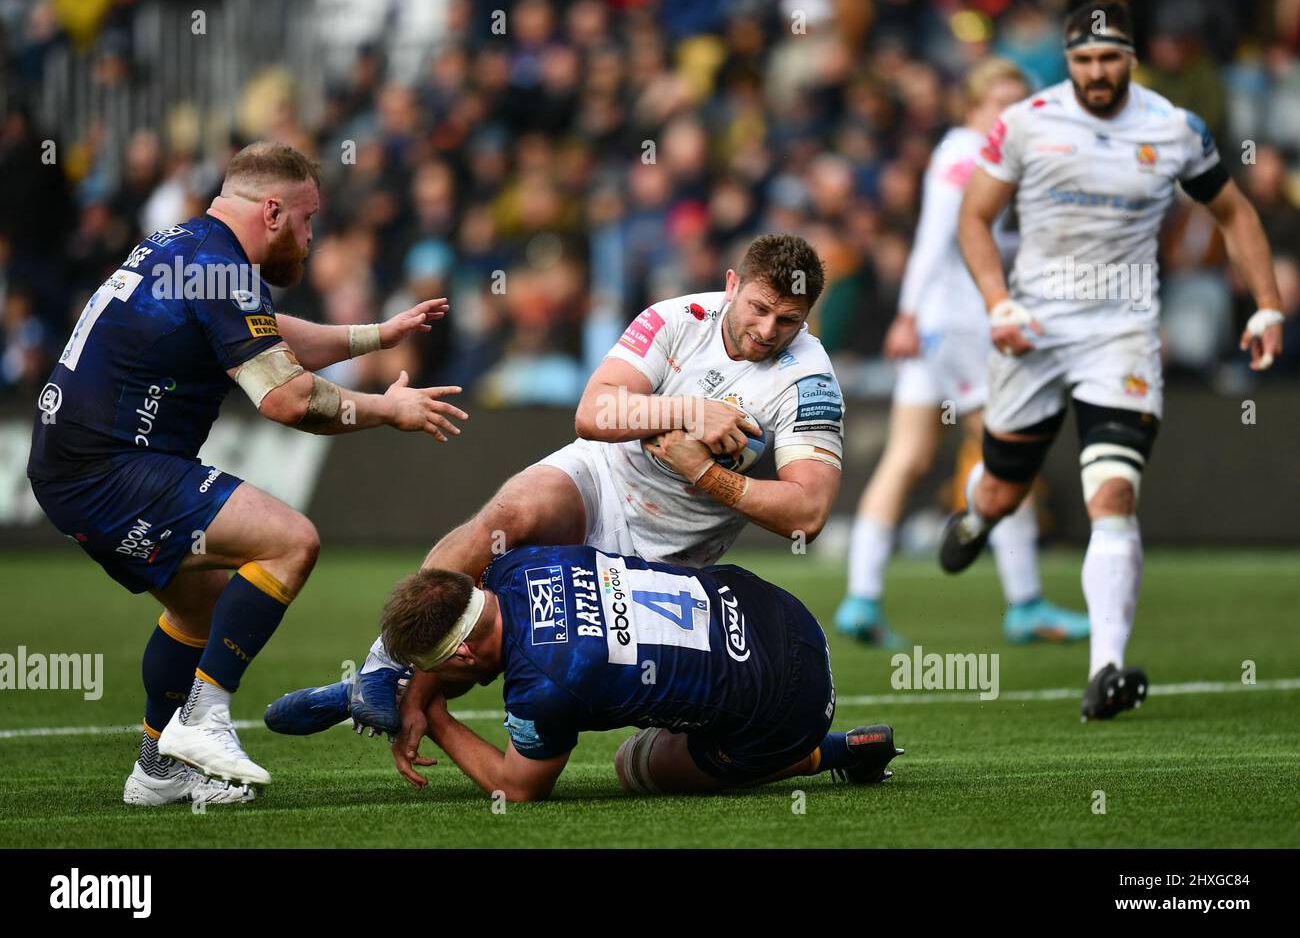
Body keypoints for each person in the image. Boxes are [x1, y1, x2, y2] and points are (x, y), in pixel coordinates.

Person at [266, 233, 848, 737]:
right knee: (503, 520)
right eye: (759, 308)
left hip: (670, 552)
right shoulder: (675, 320)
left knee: (515, 643)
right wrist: (691, 413)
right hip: (600, 475)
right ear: (731, 285)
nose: (768, 330)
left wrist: (705, 473)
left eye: (788, 320)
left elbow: (807, 513)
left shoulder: (809, 381)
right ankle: (382, 665)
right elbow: (593, 413)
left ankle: (383, 697)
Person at [26, 141, 468, 804]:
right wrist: (388, 410)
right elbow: (285, 397)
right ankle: (205, 717)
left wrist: (374, 336)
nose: (312, 237)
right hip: (109, 466)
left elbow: (264, 331)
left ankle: (156, 770)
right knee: (291, 541)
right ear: (271, 210)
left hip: (75, 461)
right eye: (308, 220)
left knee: (201, 601)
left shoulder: (186, 246)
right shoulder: (219, 265)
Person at [940, 1, 1285, 720]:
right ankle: (976, 514)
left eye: (1109, 57)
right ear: (1068, 63)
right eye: (1083, 60)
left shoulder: (1173, 127)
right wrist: (998, 301)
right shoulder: (1028, 121)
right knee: (1005, 493)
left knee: (1113, 494)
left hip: (1121, 335)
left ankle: (1105, 669)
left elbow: (1236, 213)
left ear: (1132, 56)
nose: (1097, 72)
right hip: (1033, 330)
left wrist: (1267, 304)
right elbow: (973, 216)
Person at [834, 57, 1089, 649]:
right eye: (999, 101)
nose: (1009, 113)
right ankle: (1025, 602)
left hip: (941, 328)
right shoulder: (966, 153)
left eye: (1017, 102)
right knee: (1005, 454)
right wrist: (908, 312)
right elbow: (934, 237)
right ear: (973, 106)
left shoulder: (1003, 156)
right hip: (962, 329)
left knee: (909, 457)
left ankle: (861, 595)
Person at [382, 544, 904, 800]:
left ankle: (836, 750)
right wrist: (418, 690)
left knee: (635, 765)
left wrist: (433, 714)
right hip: (785, 613)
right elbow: (459, 609)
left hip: (795, 705)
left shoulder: (543, 684)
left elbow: (517, 789)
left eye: (434, 671)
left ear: (465, 657)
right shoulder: (520, 563)